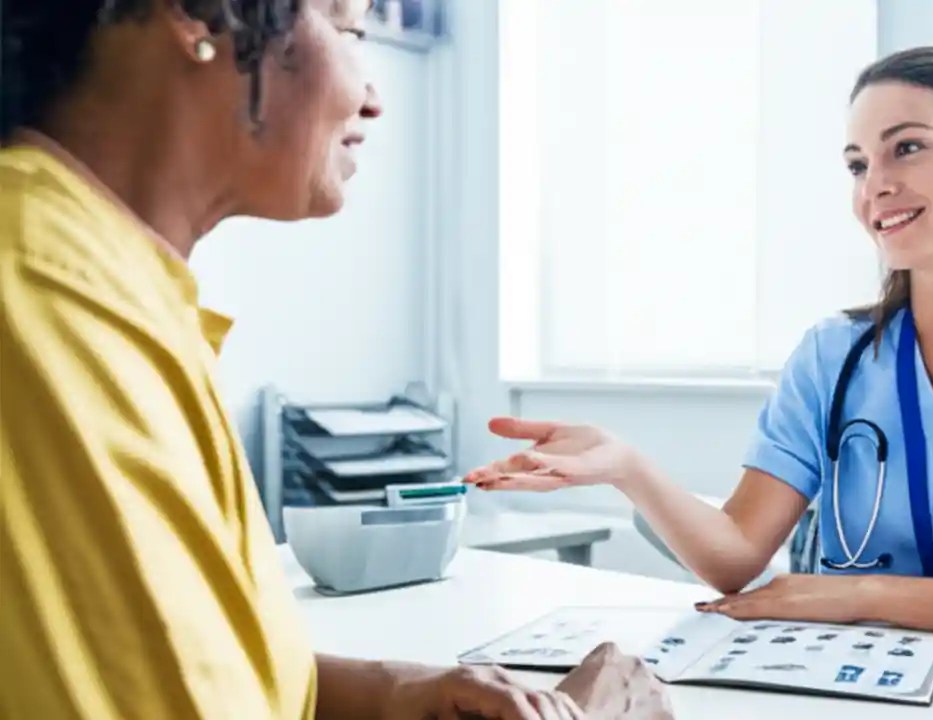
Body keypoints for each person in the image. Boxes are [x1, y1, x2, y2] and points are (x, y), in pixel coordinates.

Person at [0, 1, 671, 718]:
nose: (374, 97)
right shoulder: (48, 299)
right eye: (349, 29)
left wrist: (395, 691)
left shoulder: (101, 277)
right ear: (196, 16)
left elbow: (207, 668)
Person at [465, 46, 933, 656]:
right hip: (869, 689)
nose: (876, 187)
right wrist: (627, 467)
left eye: (908, 149)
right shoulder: (835, 355)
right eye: (858, 164)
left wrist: (854, 594)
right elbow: (735, 555)